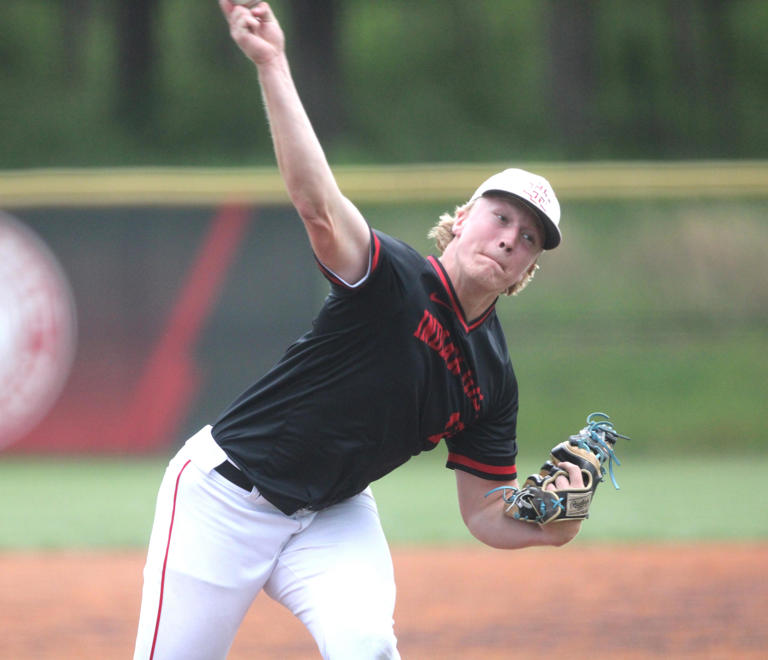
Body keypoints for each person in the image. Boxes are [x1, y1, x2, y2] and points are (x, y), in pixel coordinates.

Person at [133, 2, 585, 658]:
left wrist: (552, 521)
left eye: (529, 238)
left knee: (367, 645)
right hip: (225, 497)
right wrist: (272, 63)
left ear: (527, 272)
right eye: (500, 216)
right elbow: (317, 206)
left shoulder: (493, 376)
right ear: (462, 219)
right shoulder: (393, 279)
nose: (511, 237)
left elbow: (486, 511)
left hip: (333, 512)